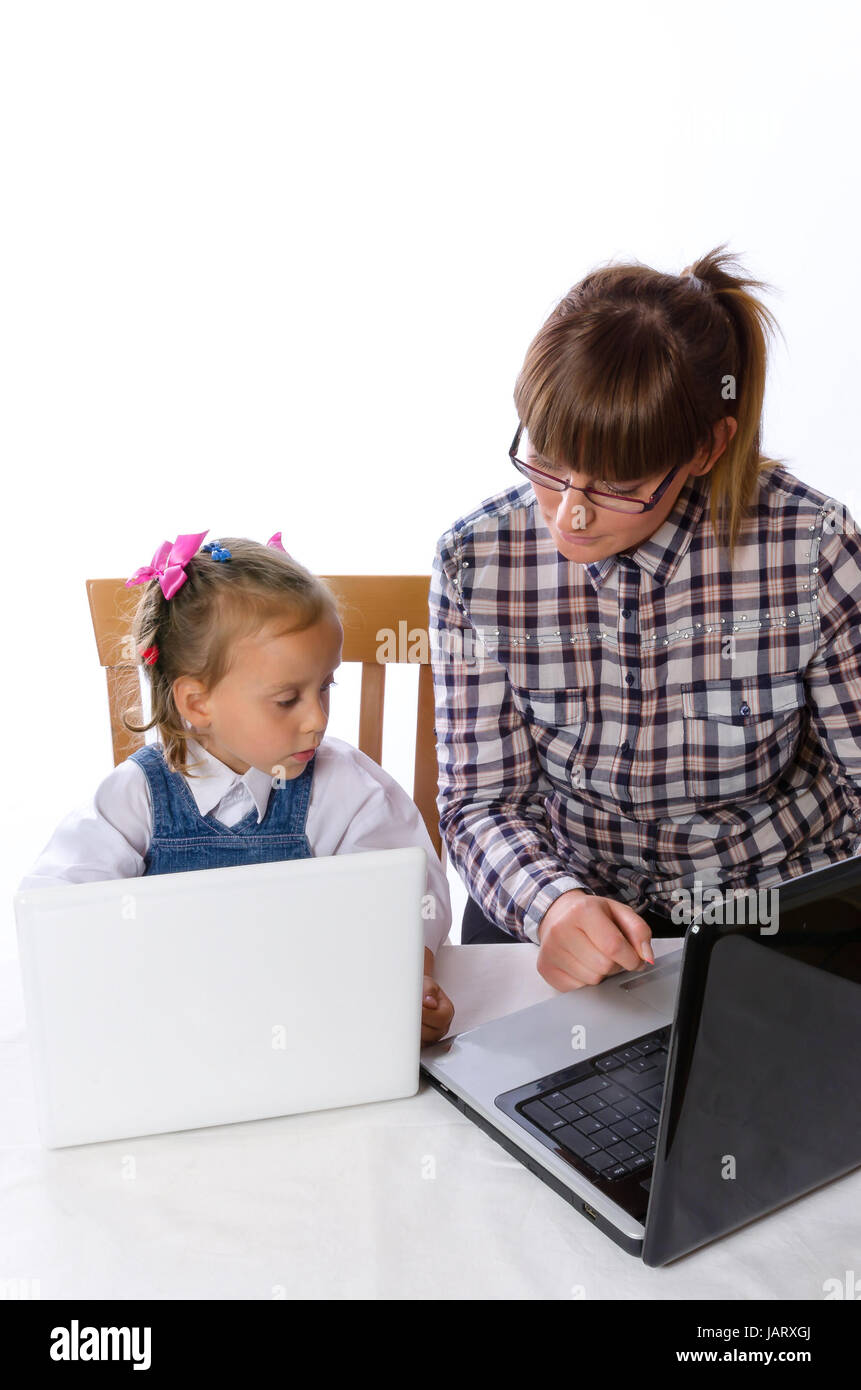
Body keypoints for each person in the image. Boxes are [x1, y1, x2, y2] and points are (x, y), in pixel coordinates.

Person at [430, 243, 861, 992]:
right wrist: (553, 905)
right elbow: (480, 802)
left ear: (705, 447)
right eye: (548, 462)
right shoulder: (475, 561)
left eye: (617, 483)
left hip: (772, 905)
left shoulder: (813, 549)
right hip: (568, 906)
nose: (569, 511)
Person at [20, 530, 454, 1044]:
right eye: (287, 698)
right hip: (182, 1039)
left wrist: (412, 980)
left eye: (325, 686)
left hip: (314, 1031)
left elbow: (408, 895)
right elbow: (55, 906)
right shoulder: (135, 796)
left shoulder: (347, 788)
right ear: (198, 703)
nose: (317, 718)